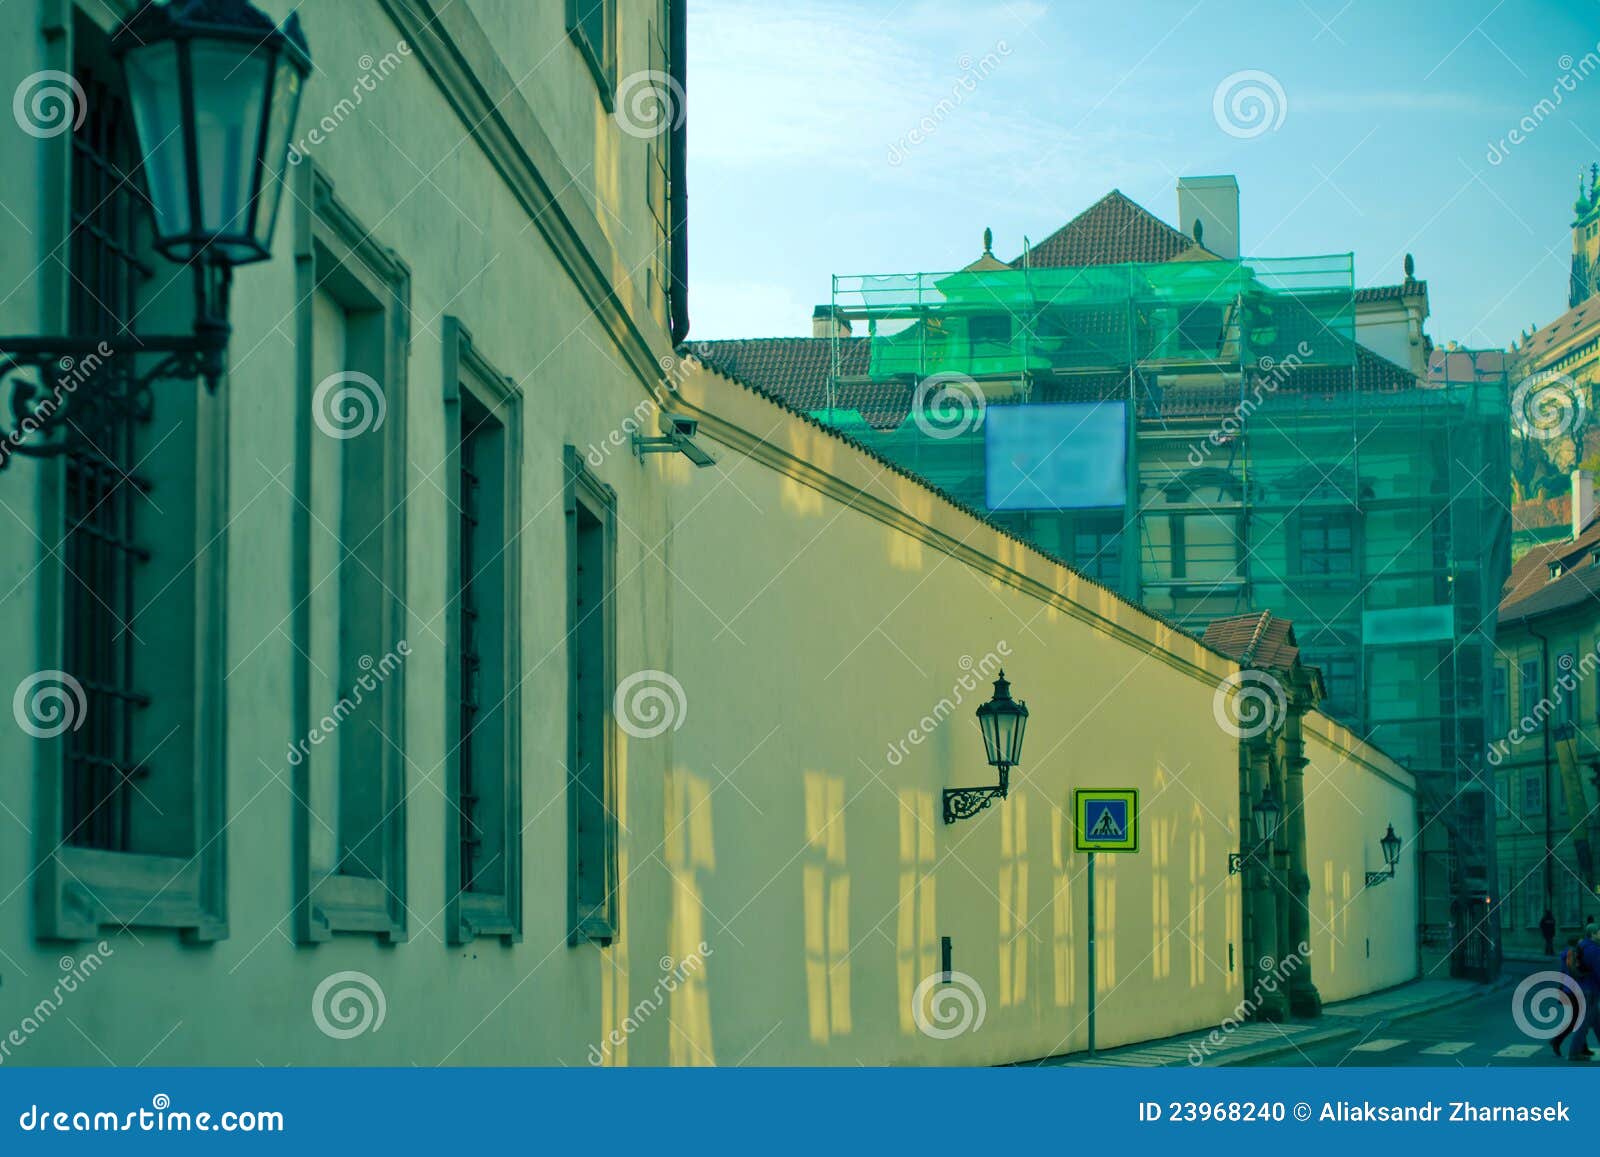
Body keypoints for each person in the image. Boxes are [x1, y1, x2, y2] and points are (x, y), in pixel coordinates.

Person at [1567, 923, 1600, 1062]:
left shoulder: (1583, 946)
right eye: (1599, 932)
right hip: (1591, 989)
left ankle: (1575, 1051)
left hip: (1584, 987)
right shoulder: (1594, 950)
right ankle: (1574, 1053)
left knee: (1597, 1022)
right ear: (1593, 934)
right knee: (1585, 1022)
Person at [1554, 936, 1587, 1057]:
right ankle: (1556, 1041)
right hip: (1573, 990)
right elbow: (1574, 971)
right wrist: (1584, 974)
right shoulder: (1571, 954)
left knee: (1581, 1019)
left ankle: (1583, 1047)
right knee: (1576, 1020)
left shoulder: (1567, 953)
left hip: (1568, 989)